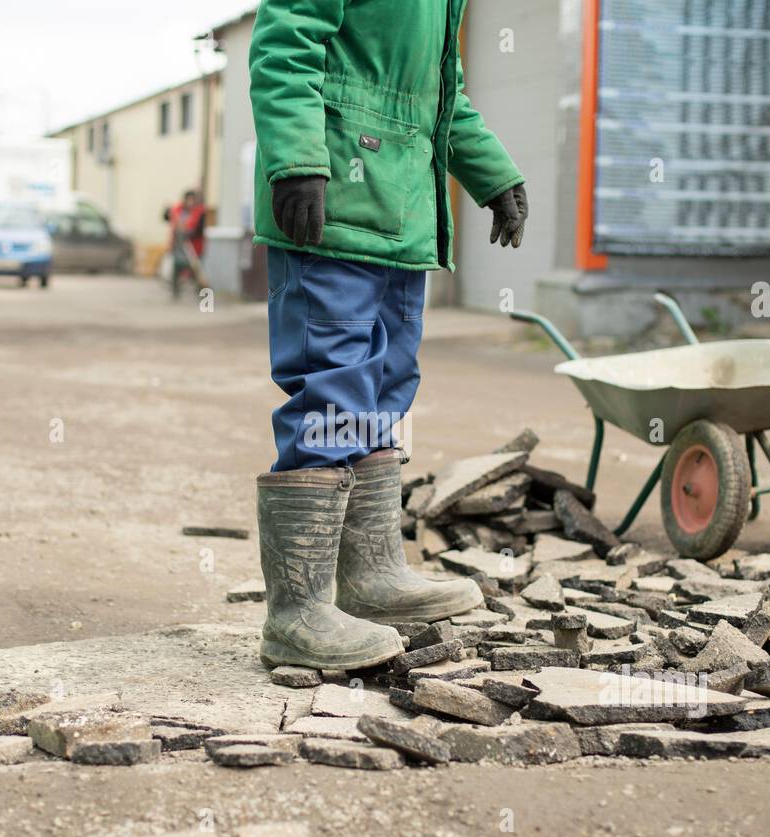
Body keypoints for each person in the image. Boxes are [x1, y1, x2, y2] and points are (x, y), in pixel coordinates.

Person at [248, 0, 529, 671]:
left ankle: (371, 578)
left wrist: (494, 176)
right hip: (335, 206)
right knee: (330, 389)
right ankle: (297, 612)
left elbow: (441, 100)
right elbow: (285, 45)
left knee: (388, 390)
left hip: (401, 217)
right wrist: (295, 159)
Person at [164, 189, 206, 298]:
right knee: (177, 267)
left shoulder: (199, 212)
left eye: (193, 200)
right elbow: (167, 218)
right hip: (178, 244)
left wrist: (189, 233)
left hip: (194, 246)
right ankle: (175, 290)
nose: (190, 202)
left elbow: (199, 229)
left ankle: (201, 291)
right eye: (189, 199)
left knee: (195, 270)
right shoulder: (177, 210)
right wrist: (166, 211)